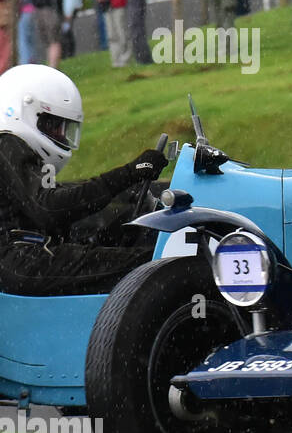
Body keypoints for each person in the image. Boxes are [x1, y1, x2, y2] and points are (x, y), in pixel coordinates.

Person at [0, 64, 168, 296]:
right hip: (19, 261)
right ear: (23, 110)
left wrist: (124, 188)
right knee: (156, 263)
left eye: (63, 128)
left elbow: (56, 201)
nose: (60, 134)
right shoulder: (7, 143)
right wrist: (128, 174)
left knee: (129, 229)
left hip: (24, 258)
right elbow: (48, 207)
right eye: (53, 126)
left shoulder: (10, 151)